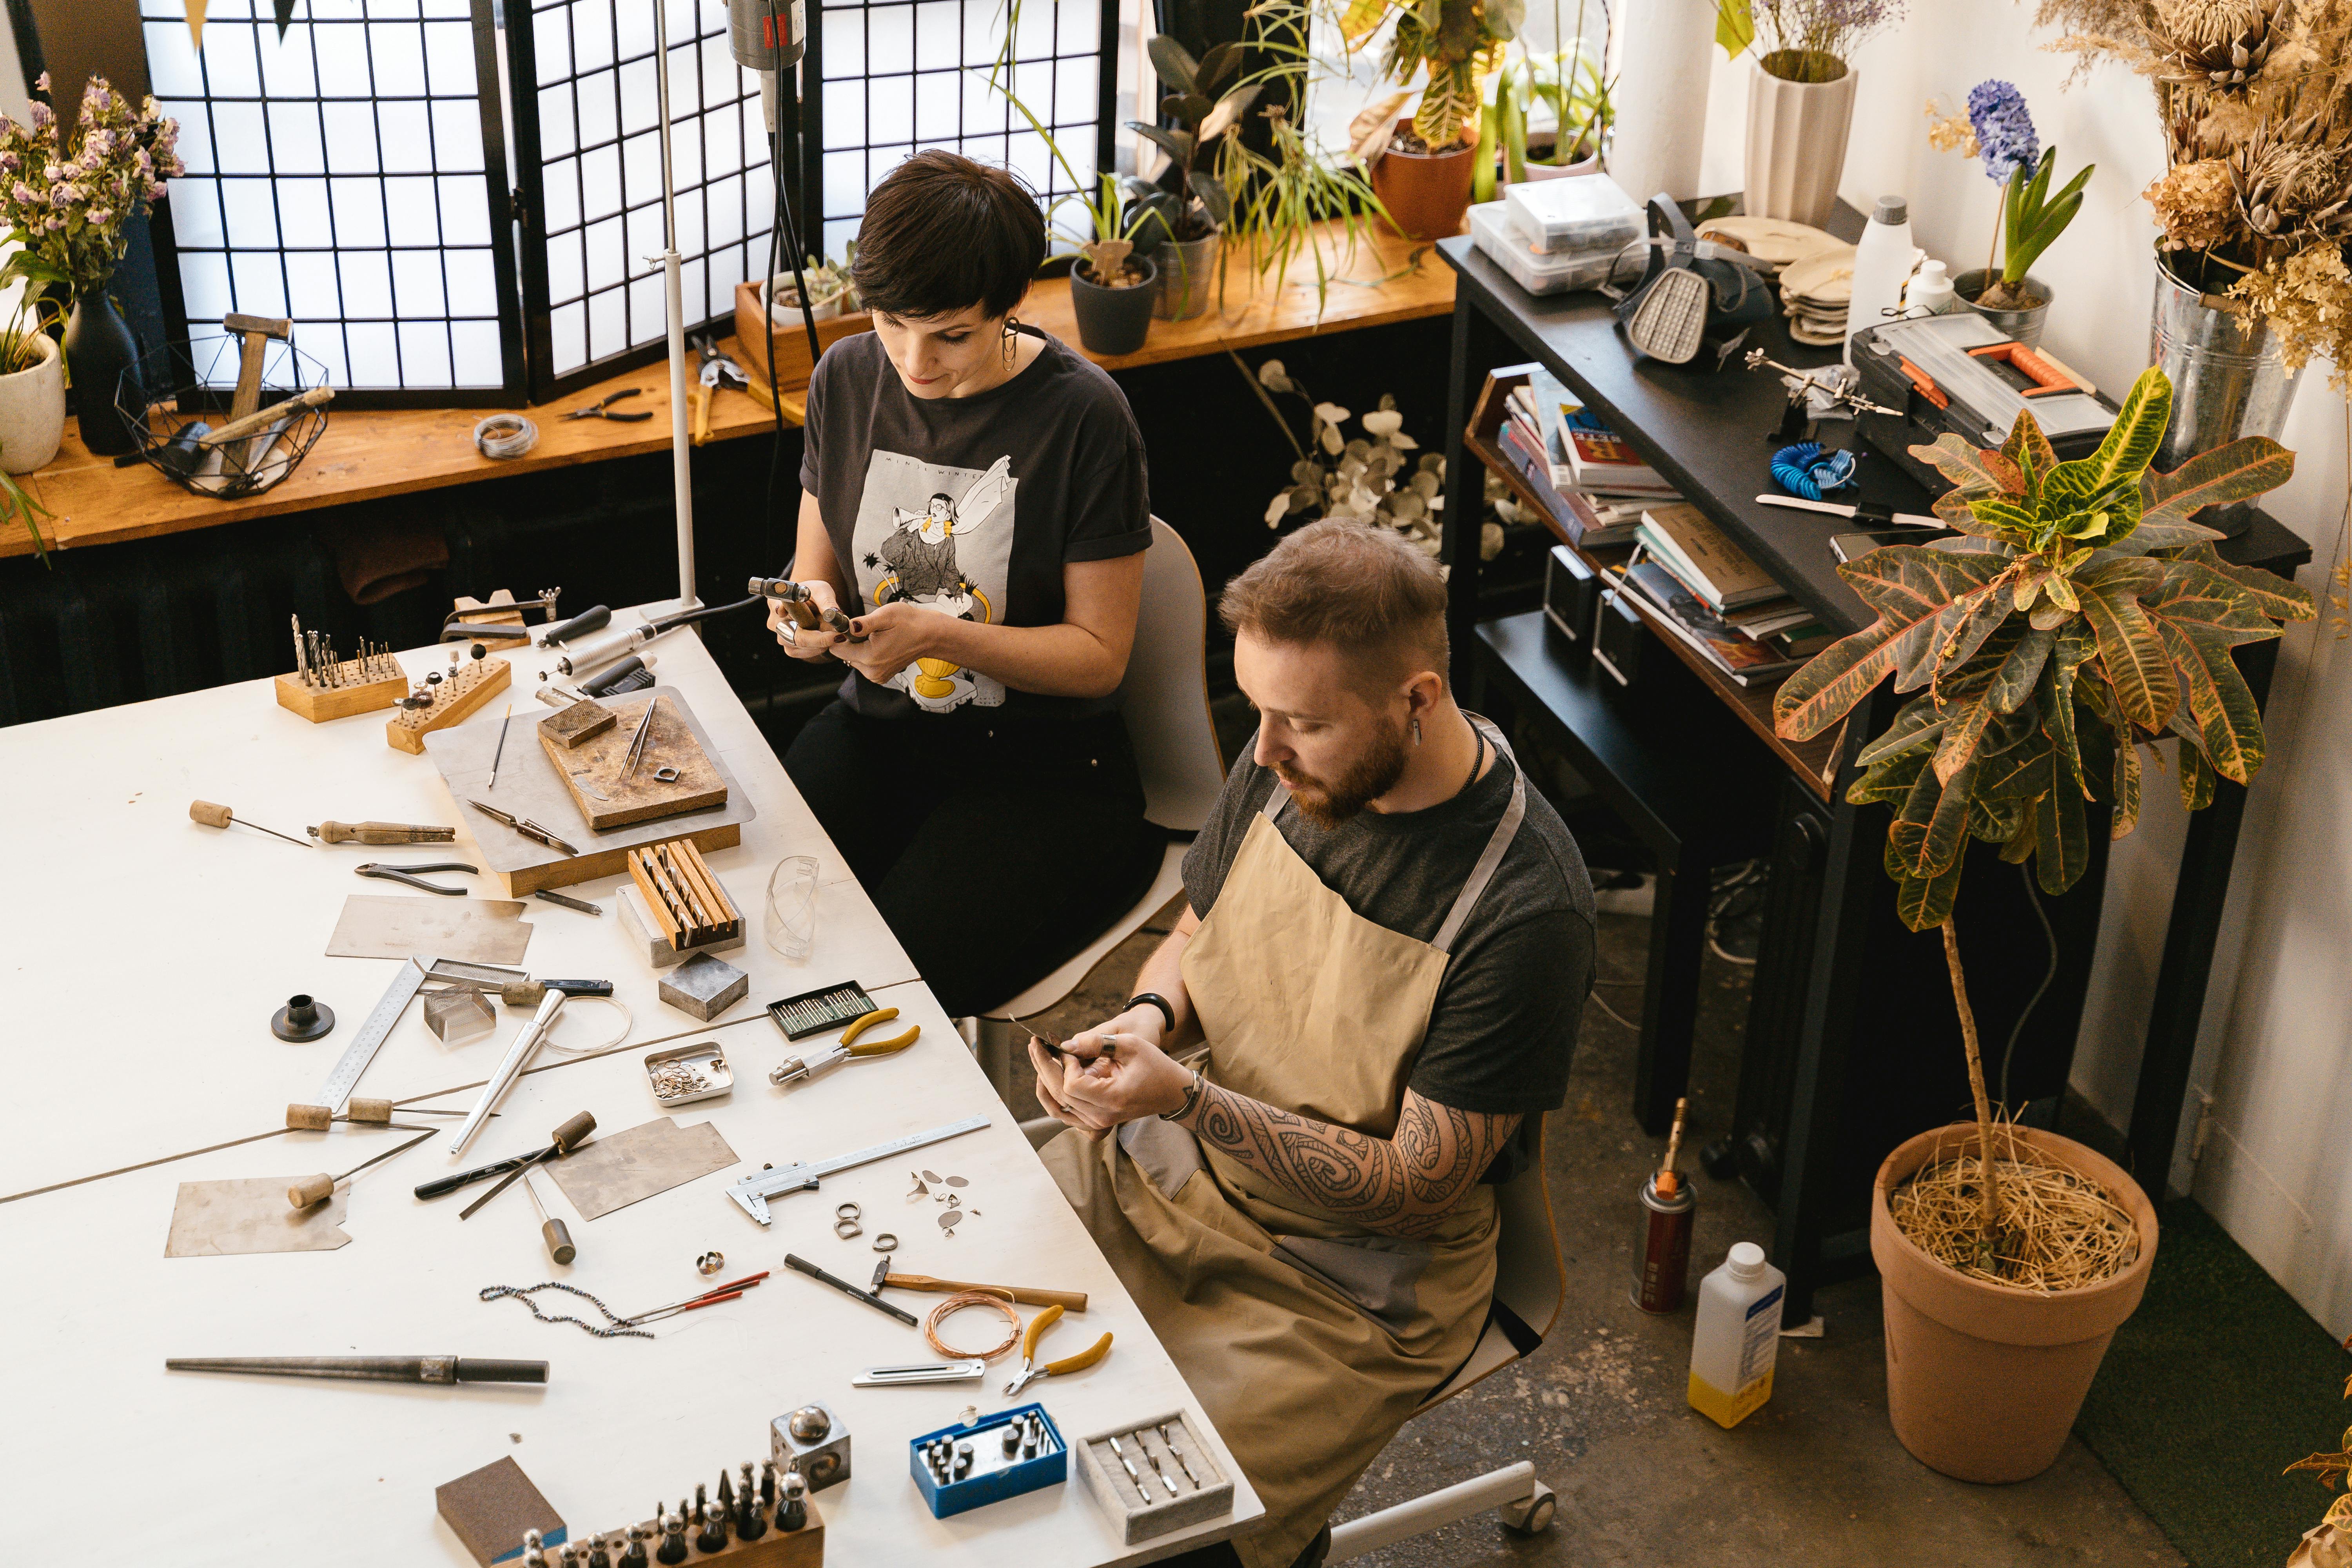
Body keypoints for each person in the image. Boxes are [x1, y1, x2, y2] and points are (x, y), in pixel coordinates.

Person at [1031, 519, 1596, 1568]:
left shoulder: (1525, 909)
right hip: (1177, 1173)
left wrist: (1187, 1101)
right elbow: (1195, 935)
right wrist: (1150, 1022)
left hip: (1347, 1284)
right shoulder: (1288, 759)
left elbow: (1414, 1184)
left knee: (1156, 1528)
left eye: (1300, 722)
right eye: (1257, 712)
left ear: (1417, 701)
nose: (1262, 752)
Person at [773, 150, 1163, 1017]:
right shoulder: (844, 376)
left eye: (951, 333)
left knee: (880, 997)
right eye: (891, 321)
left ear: (1008, 307)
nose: (914, 360)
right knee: (765, 920)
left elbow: (1099, 659)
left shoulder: (1084, 417)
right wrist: (810, 614)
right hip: (878, 730)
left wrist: (940, 634)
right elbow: (816, 568)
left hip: (1045, 768)